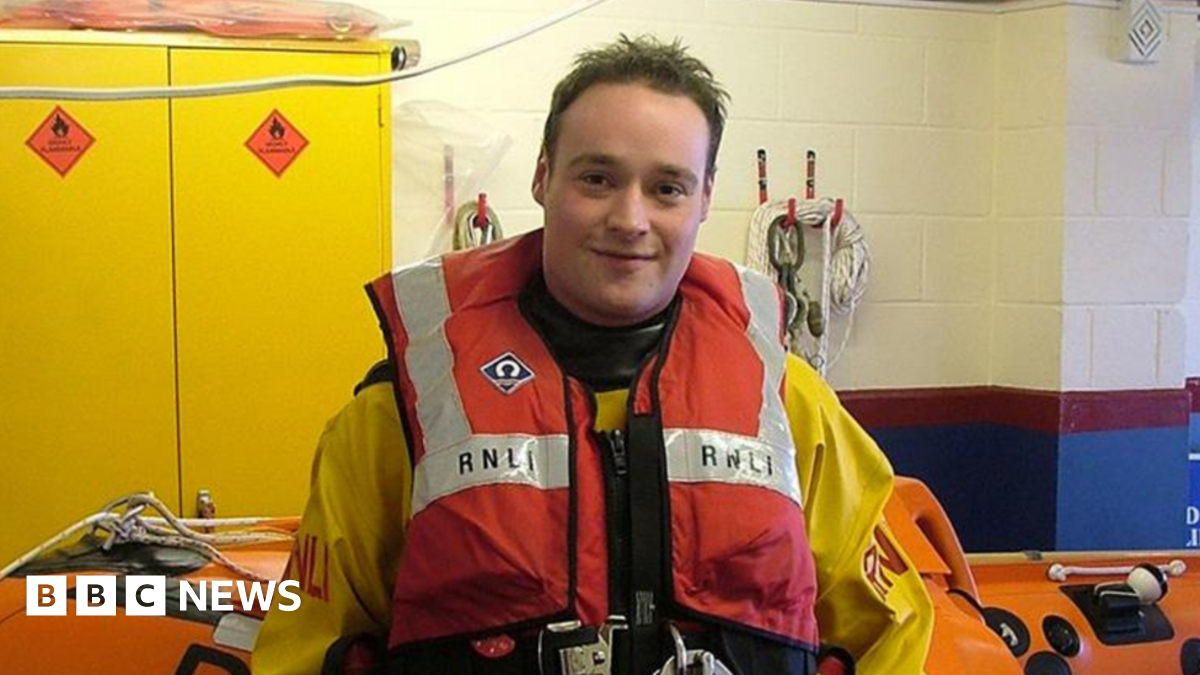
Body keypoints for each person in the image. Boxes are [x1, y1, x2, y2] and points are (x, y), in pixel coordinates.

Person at [253, 34, 933, 675]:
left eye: (666, 188)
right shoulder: (406, 409)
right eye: (598, 179)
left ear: (703, 198)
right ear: (543, 177)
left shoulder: (788, 404)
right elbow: (308, 644)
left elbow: (892, 631)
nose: (629, 220)